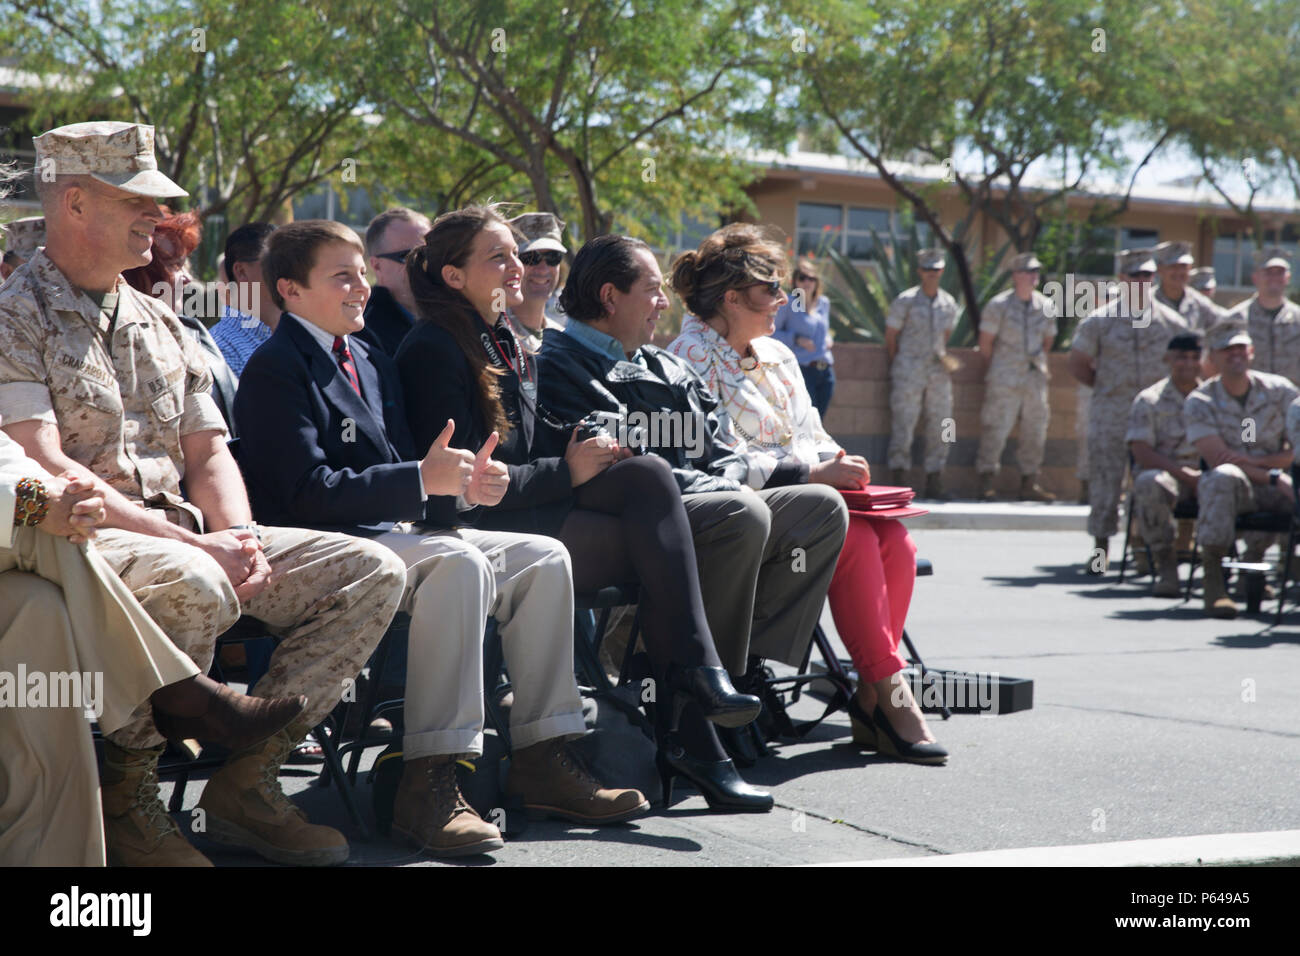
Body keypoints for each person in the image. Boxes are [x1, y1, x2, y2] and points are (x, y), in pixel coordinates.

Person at [0, 121, 408, 867]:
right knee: (192, 582)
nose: (156, 217)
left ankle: (246, 789)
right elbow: (38, 461)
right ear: (76, 202)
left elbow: (206, 449)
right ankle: (129, 799)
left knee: (369, 571)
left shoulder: (160, 318)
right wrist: (196, 547)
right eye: (137, 201)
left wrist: (242, 542)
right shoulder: (12, 312)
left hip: (190, 530)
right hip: (83, 535)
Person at [235, 219, 651, 852]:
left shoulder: (368, 355)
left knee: (543, 558)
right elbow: (306, 494)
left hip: (393, 532)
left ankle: (544, 755)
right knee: (457, 565)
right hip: (325, 545)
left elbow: (414, 470)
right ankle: (429, 783)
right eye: (341, 275)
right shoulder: (275, 368)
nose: (362, 288)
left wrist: (460, 486)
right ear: (289, 290)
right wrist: (418, 480)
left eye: (361, 272)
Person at [394, 206, 768, 812]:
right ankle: (693, 712)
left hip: (528, 500)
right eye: (501, 256)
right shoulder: (436, 346)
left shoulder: (498, 334)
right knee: (667, 551)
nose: (521, 266)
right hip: (480, 522)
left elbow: (532, 440)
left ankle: (693, 694)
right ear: (455, 277)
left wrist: (582, 444)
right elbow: (464, 484)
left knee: (643, 472)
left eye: (519, 253)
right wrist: (565, 469)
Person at [536, 234, 850, 775]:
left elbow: (726, 450)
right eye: (652, 292)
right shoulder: (560, 364)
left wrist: (721, 481)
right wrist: (716, 486)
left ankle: (736, 669)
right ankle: (696, 709)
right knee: (743, 513)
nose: (664, 303)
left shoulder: (664, 366)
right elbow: (623, 466)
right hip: (626, 525)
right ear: (610, 298)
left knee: (820, 508)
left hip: (699, 505)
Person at [667, 223, 946, 764]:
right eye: (770, 288)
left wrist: (839, 462)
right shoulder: (689, 358)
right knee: (855, 538)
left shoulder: (777, 354)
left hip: (809, 504)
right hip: (743, 517)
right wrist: (811, 475)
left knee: (895, 541)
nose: (783, 298)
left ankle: (871, 693)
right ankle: (891, 695)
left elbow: (813, 436)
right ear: (730, 297)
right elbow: (715, 463)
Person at [1068, 248, 1189, 572]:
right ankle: (1100, 554)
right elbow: (1078, 363)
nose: (1140, 281)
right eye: (1134, 276)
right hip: (1111, 411)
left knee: (1150, 483)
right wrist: (1105, 387)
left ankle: (1146, 553)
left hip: (1156, 417)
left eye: (1146, 276)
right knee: (1106, 484)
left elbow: (1187, 366)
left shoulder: (1171, 322)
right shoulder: (1099, 320)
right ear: (1122, 279)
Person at [1186, 328, 1298, 618]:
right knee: (1221, 477)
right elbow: (1218, 457)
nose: (1235, 355)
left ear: (1252, 352)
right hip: (1239, 489)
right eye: (1226, 350)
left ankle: (1280, 567)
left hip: (1280, 484)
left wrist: (1258, 461)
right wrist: (1272, 474)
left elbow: (1297, 451)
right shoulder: (1200, 401)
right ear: (1213, 358)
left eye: (1241, 348)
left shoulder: (1281, 392)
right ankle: (1214, 582)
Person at [975, 251, 1057, 502]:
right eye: (1028, 272)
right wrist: (1000, 367)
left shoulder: (1046, 305)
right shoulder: (998, 305)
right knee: (995, 428)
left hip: (1034, 378)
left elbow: (1047, 342)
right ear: (1015, 276)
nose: (1034, 276)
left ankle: (1029, 483)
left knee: (1035, 430)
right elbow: (985, 344)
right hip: (1004, 376)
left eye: (1036, 272)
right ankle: (986, 482)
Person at [1126, 334, 1204, 597]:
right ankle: (1166, 565)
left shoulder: (1213, 397)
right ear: (1168, 359)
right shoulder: (1149, 400)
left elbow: (1240, 442)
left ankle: (1237, 569)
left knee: (1235, 479)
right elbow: (1141, 452)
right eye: (1181, 357)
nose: (1188, 364)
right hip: (1170, 478)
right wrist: (1185, 475)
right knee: (1150, 482)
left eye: (1194, 357)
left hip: (1208, 478)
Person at [885, 248, 959, 499]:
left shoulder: (948, 303)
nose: (932, 274)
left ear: (942, 271)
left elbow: (946, 335)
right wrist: (900, 362)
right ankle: (898, 478)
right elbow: (891, 335)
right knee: (904, 422)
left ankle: (935, 478)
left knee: (943, 424)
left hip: (938, 372)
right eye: (928, 269)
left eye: (936, 269)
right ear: (920, 271)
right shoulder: (905, 301)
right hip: (908, 369)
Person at [1221, 247, 1300, 386]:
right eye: (1268, 273)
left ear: (1288, 277)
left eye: (1280, 273)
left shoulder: (1298, 318)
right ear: (1255, 277)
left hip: (1293, 402)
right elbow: (1217, 363)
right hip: (1251, 403)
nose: (1274, 278)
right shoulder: (1235, 319)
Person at [209, 222, 279, 376]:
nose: (288, 270)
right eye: (277, 262)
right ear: (241, 271)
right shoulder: (219, 348)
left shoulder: (297, 337)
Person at [359, 207, 431, 358]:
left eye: (429, 254)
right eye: (410, 256)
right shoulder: (362, 329)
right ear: (377, 265)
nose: (424, 264)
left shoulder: (454, 314)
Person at [771, 257, 835, 416]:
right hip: (801, 369)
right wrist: (796, 339)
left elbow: (824, 329)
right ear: (795, 281)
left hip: (825, 369)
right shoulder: (789, 303)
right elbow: (772, 334)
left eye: (812, 278)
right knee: (805, 419)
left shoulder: (823, 303)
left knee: (819, 422)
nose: (807, 282)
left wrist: (828, 338)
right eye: (803, 278)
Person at [505, 211, 568, 352]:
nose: (543, 268)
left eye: (553, 257)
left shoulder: (564, 339)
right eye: (531, 257)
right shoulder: (496, 336)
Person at [1152, 241, 1224, 333]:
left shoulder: (1200, 303)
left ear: (1190, 268)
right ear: (1160, 269)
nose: (1179, 272)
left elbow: (1223, 327)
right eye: (1173, 266)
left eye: (1183, 266)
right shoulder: (1147, 302)